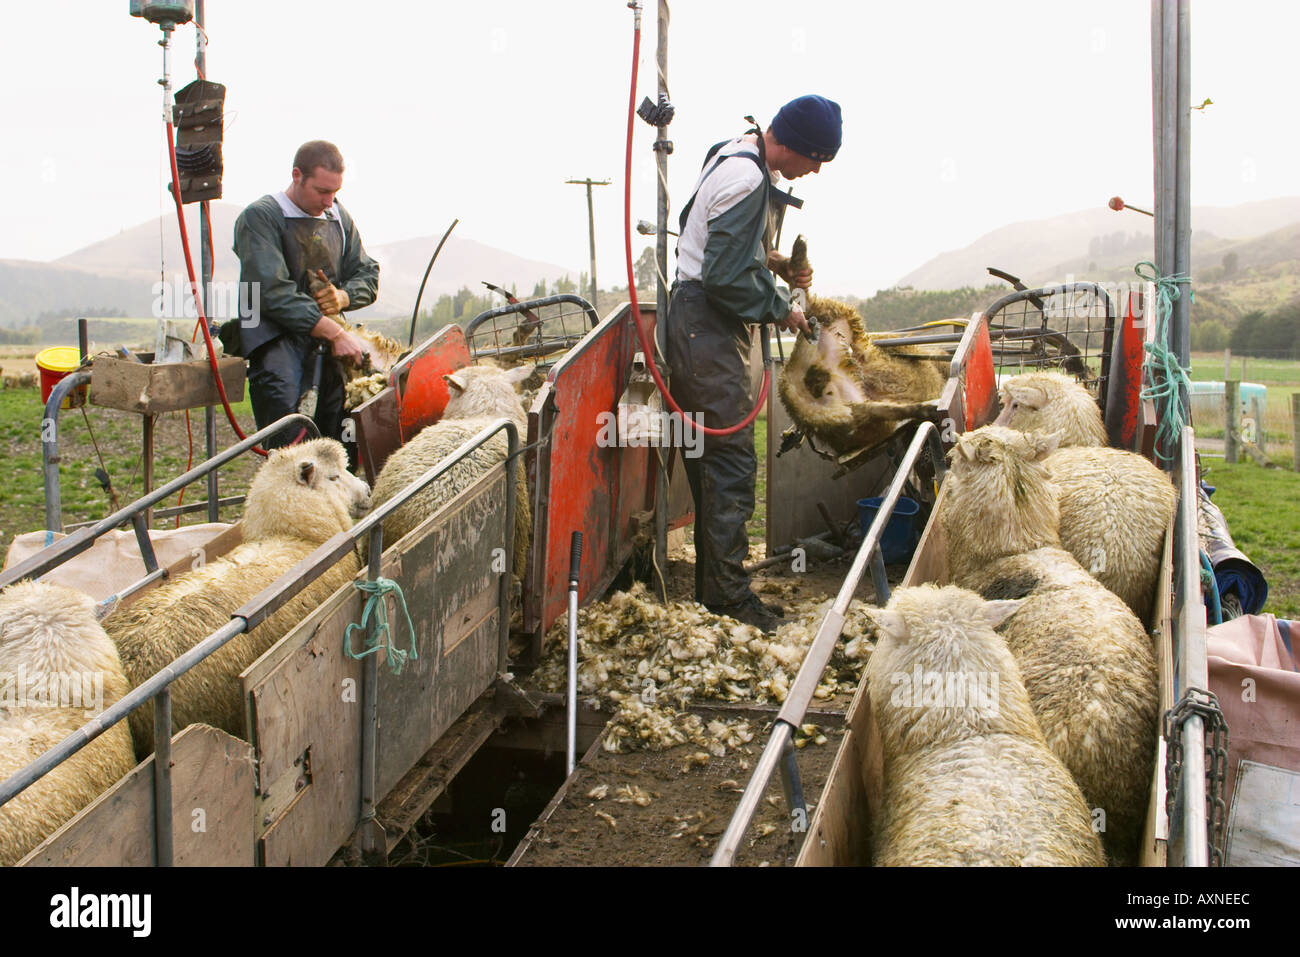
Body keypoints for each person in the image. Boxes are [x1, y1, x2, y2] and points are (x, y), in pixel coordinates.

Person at [665, 94, 842, 632]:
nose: (812, 172)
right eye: (815, 160)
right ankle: (726, 600)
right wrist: (781, 309)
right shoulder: (747, 178)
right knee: (730, 462)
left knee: (715, 457)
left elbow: (701, 225)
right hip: (708, 323)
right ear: (793, 144)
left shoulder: (732, 152)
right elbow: (721, 276)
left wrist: (771, 259)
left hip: (698, 321)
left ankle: (716, 588)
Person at [230, 139, 379, 450]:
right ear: (297, 175)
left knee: (337, 442)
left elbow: (366, 272)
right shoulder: (261, 217)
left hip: (327, 346)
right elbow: (270, 291)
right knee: (290, 445)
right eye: (322, 191)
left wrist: (343, 297)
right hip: (276, 343)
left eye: (335, 192)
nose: (329, 200)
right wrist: (335, 332)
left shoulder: (338, 218)